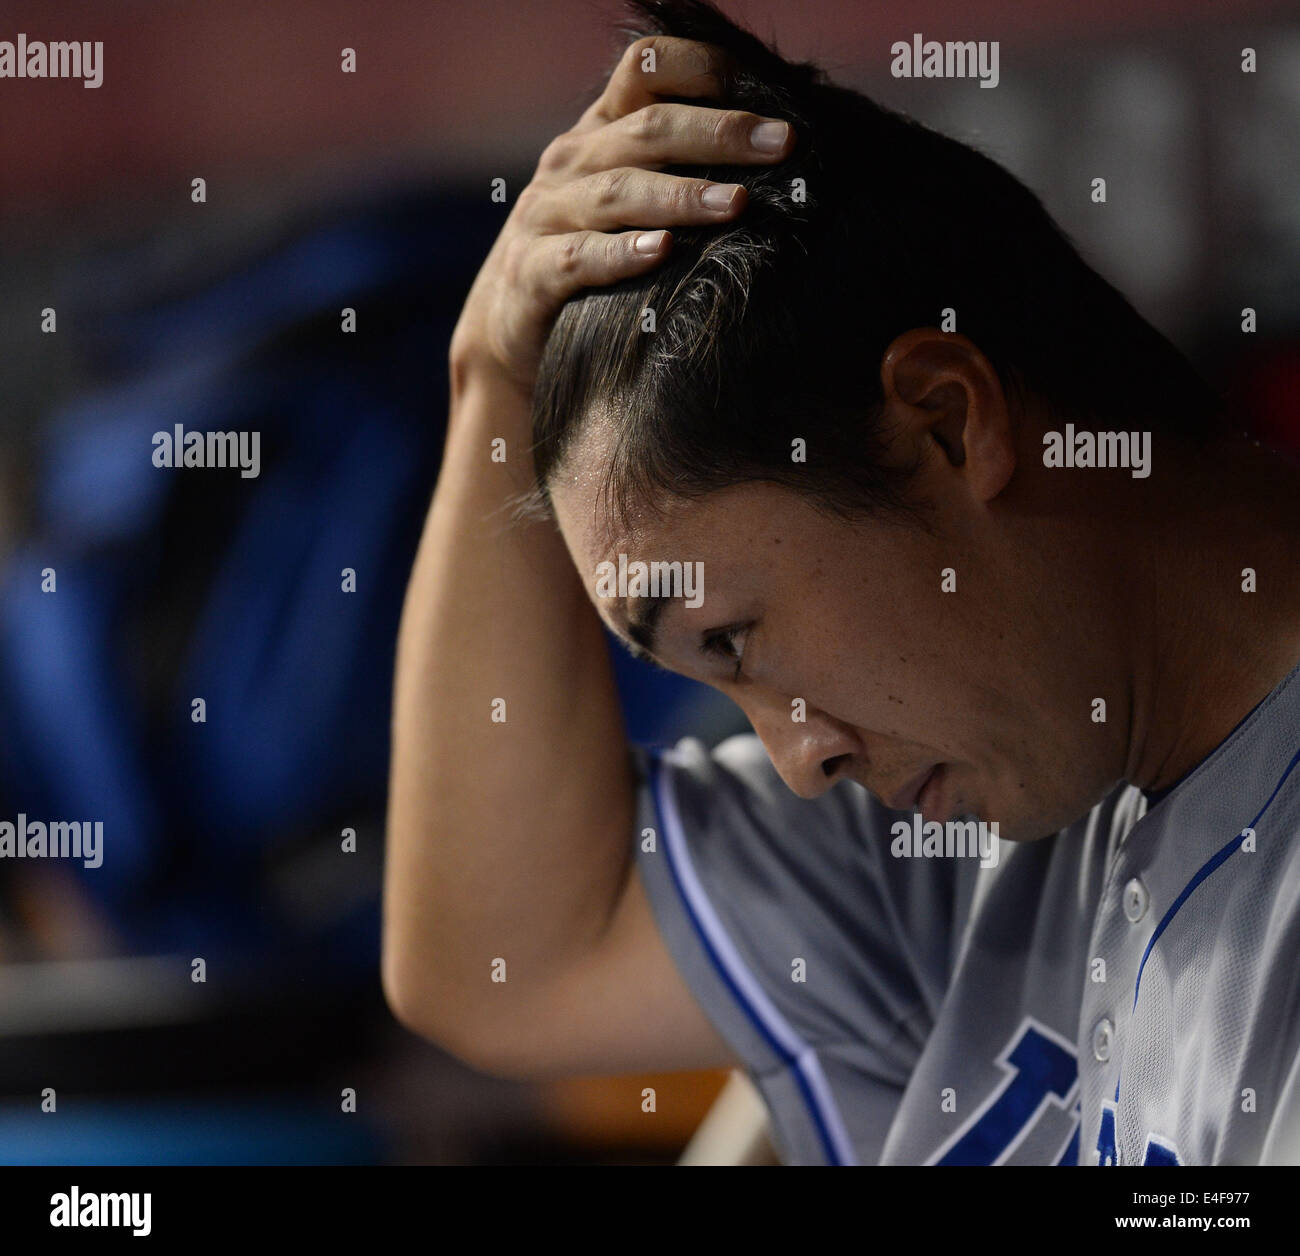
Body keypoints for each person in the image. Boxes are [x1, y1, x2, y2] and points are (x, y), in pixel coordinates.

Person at [382, 0, 1300, 1164]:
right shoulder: (980, 802)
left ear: (946, 422)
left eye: (733, 638)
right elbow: (507, 969)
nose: (799, 761)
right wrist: (494, 371)